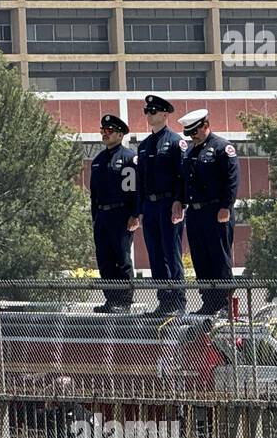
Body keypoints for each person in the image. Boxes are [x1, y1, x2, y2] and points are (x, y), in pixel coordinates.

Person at [178, 109, 240, 315]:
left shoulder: (222, 148)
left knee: (219, 257)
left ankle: (223, 303)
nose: (192, 136)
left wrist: (226, 206)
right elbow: (185, 181)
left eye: (195, 131)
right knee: (200, 258)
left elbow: (231, 179)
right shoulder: (190, 152)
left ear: (206, 126)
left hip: (216, 210)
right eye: (189, 133)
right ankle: (209, 301)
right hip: (195, 213)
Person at [136, 95, 189, 315]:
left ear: (165, 114)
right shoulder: (144, 145)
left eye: (154, 111)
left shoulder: (176, 142)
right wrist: (139, 210)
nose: (150, 115)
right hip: (150, 205)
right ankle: (164, 301)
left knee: (171, 252)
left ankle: (178, 301)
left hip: (169, 203)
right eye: (147, 111)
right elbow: (140, 181)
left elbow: (183, 175)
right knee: (155, 255)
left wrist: (179, 200)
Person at [90, 114, 139, 313]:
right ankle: (111, 299)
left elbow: (135, 189)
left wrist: (135, 214)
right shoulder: (98, 160)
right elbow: (94, 193)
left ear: (119, 134)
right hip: (102, 216)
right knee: (105, 259)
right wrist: (95, 218)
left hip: (121, 215)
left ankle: (125, 301)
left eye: (109, 131)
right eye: (103, 130)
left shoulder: (128, 157)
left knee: (122, 258)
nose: (105, 134)